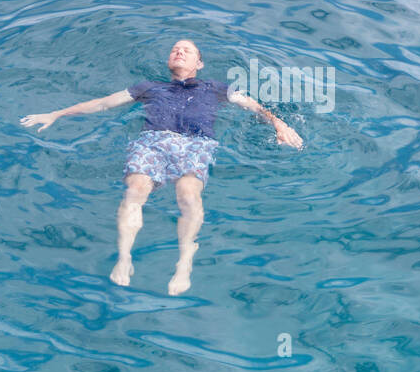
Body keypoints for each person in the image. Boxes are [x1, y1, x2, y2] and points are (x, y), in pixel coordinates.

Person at [20, 39, 303, 294]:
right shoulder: (148, 88)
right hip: (152, 141)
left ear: (198, 63)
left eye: (187, 50)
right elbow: (103, 104)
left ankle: (184, 261)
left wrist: (279, 124)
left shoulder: (216, 88)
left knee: (188, 194)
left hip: (197, 143)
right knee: (135, 191)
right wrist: (56, 114)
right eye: (175, 49)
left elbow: (254, 107)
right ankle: (124, 256)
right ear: (169, 61)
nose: (179, 51)